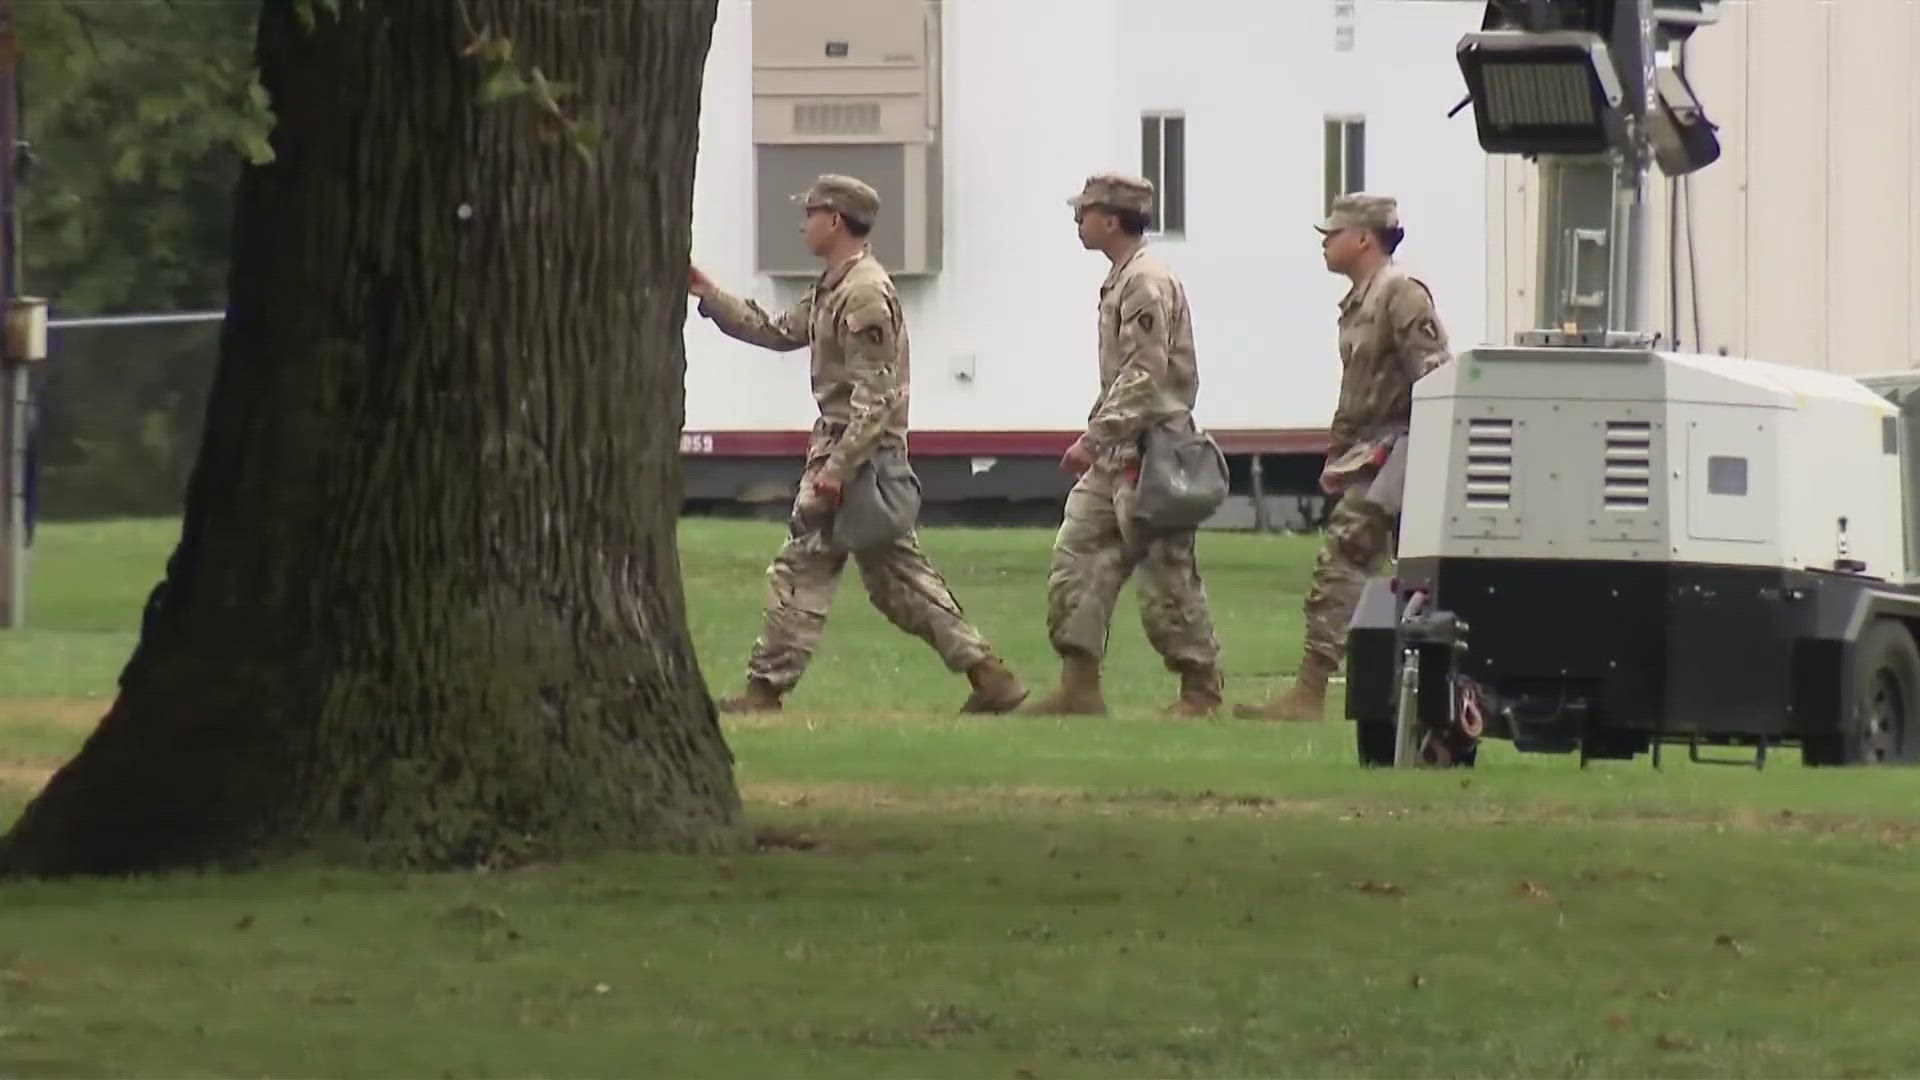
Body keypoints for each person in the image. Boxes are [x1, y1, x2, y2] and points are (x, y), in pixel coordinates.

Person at [687, 174, 1029, 715]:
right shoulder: (836, 285)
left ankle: (765, 691)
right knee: (886, 580)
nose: (803, 223)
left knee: (820, 570)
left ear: (835, 221)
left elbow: (878, 394)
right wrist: (712, 296)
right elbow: (778, 330)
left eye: (810, 213)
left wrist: (837, 470)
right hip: (849, 457)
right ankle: (989, 677)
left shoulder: (865, 292)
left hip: (857, 462)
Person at [1236, 192, 1453, 723]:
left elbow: (1435, 378)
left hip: (1397, 454)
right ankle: (1401, 693)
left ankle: (1310, 693)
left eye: (1332, 233)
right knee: (1405, 577)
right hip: (1369, 454)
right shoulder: (1363, 300)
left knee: (1343, 562)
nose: (1325, 243)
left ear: (1363, 238)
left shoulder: (1400, 294)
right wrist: (1340, 450)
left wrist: (1411, 462)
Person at [1026, 172, 1224, 717]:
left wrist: (1095, 437)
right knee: (1078, 559)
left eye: (1084, 211)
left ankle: (1200, 692)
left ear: (1110, 220)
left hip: (1153, 453)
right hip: (1119, 455)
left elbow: (1144, 373)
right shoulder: (1123, 278)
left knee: (1167, 578)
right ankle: (1078, 688)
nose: (1076, 219)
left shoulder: (1145, 282)